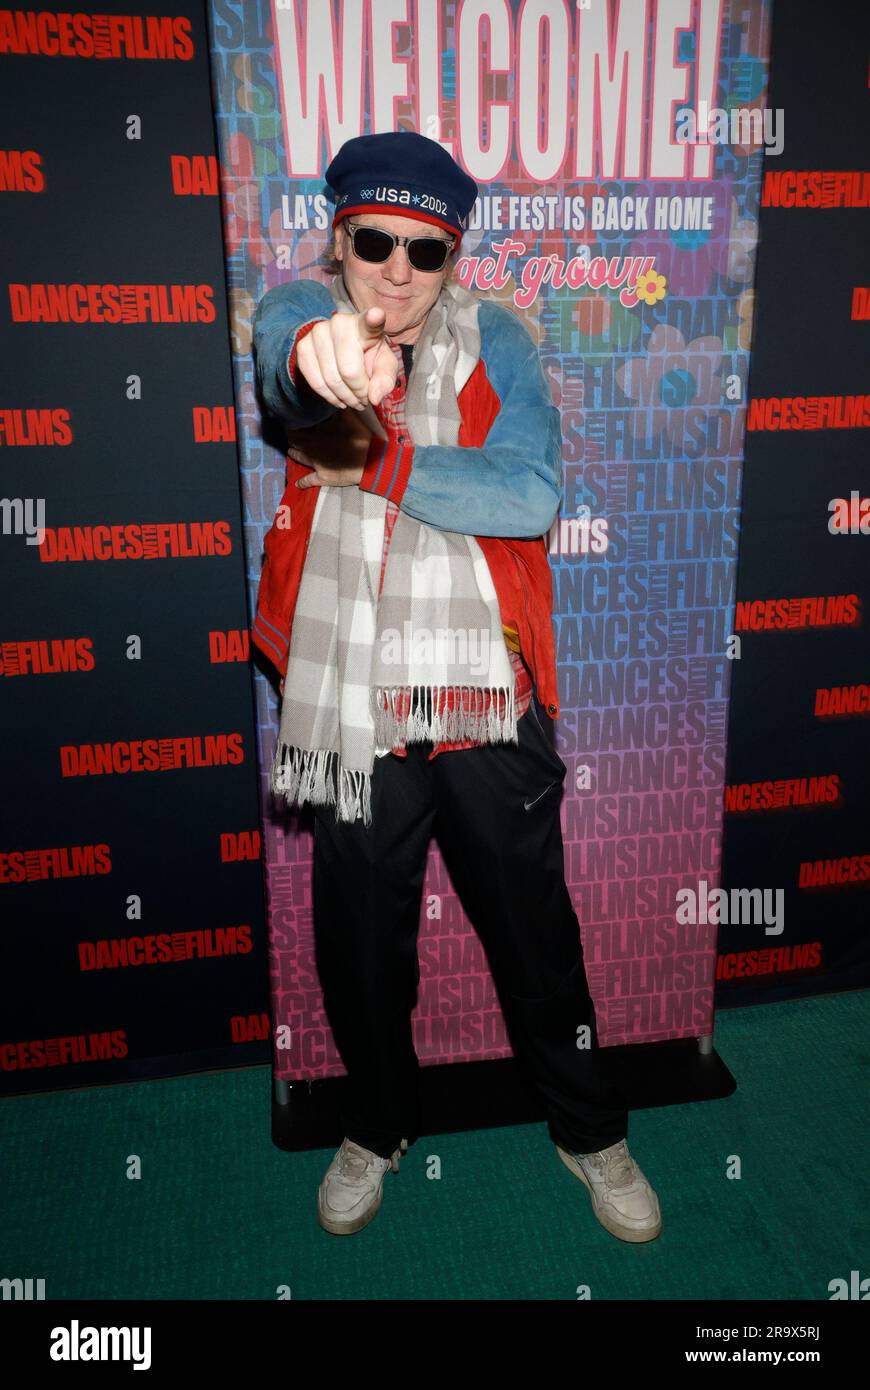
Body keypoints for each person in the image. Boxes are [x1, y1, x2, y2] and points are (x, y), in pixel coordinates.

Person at [251, 130, 661, 1244]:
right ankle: (375, 1126)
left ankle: (590, 1129)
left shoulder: (505, 340)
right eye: (373, 241)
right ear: (338, 238)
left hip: (487, 691)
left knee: (536, 934)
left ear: (453, 254)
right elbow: (291, 362)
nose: (396, 270)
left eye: (423, 251)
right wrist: (326, 364)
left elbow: (527, 492)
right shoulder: (300, 307)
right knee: (362, 939)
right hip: (353, 695)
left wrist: (378, 459)